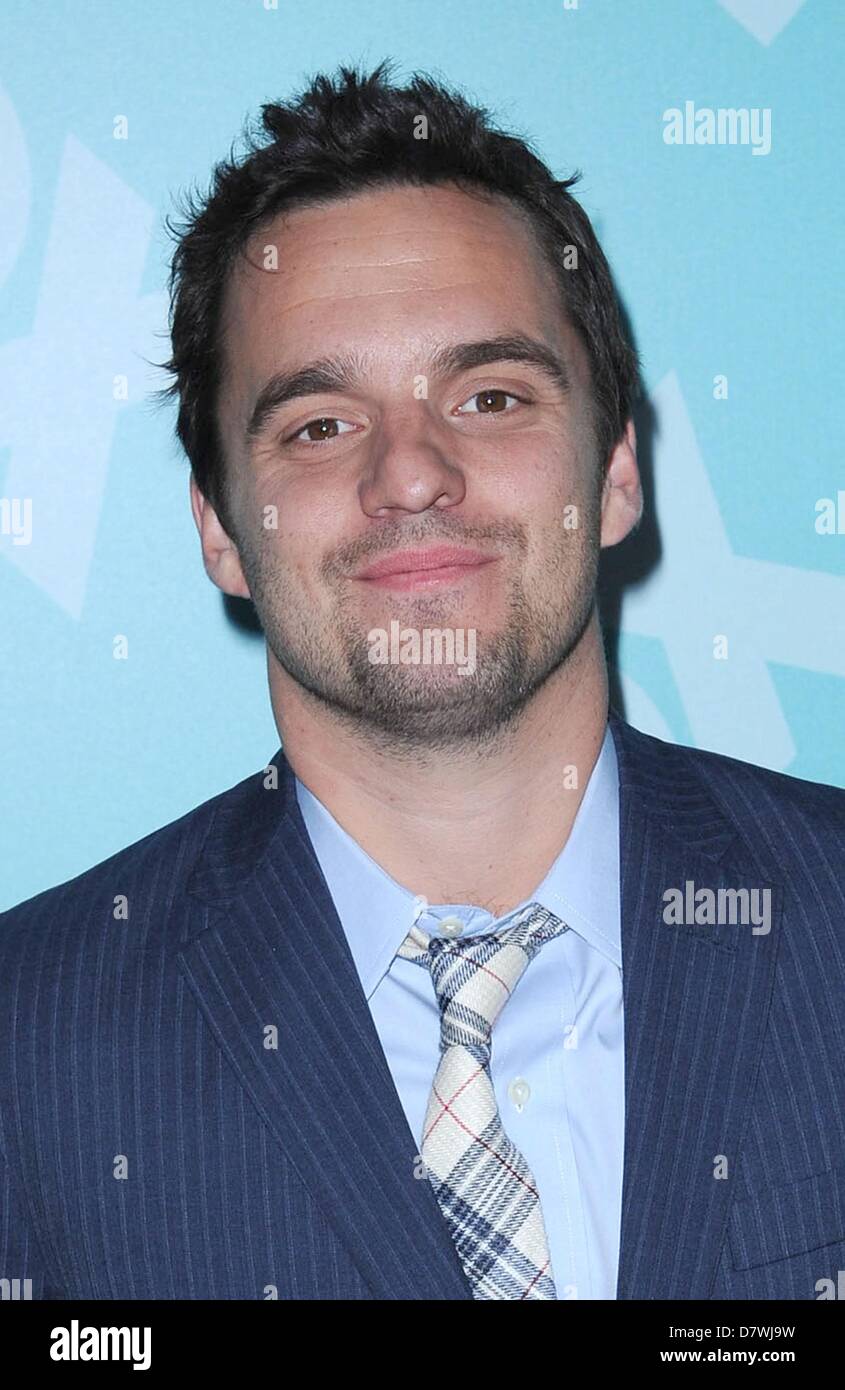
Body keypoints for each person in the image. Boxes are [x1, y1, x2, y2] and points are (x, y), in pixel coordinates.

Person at [1, 62, 843, 1302]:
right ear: (220, 530)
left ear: (615, 472)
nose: (410, 475)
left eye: (489, 395)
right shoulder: (28, 1050)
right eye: (320, 423)